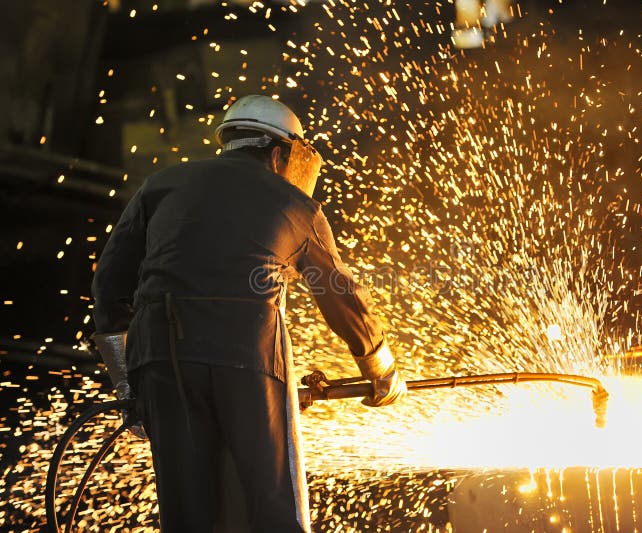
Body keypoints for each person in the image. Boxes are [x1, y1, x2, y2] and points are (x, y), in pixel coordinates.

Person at [91, 94, 406, 532]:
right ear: (281, 153)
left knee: (187, 517)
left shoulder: (160, 185)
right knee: (273, 507)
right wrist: (380, 368)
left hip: (159, 359)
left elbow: (108, 289)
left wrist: (129, 387)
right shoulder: (296, 206)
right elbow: (342, 297)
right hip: (248, 357)